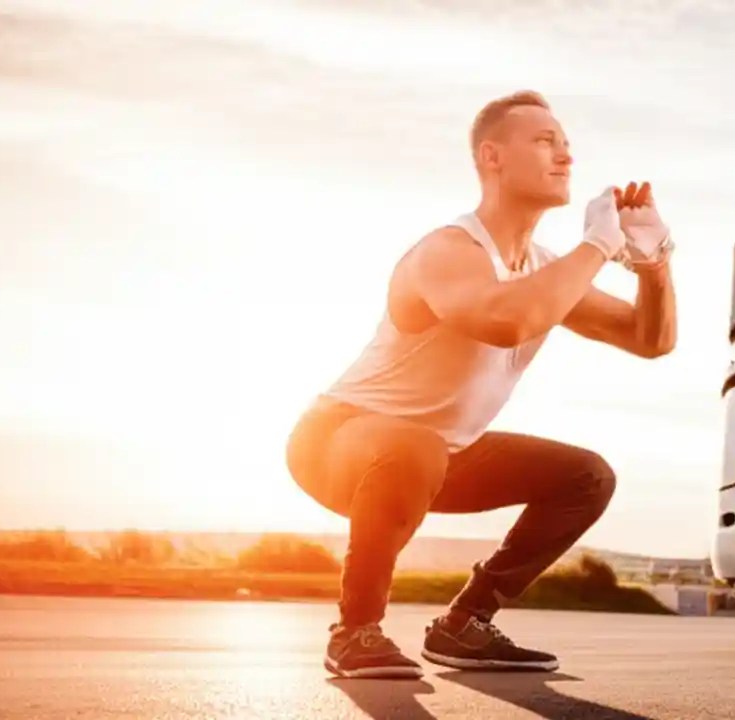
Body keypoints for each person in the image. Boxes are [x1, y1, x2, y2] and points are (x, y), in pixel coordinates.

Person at [284, 89, 677, 680]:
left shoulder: (547, 268)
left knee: (585, 476)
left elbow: (651, 340)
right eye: (545, 141)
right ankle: (355, 632)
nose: (565, 156)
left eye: (567, 144)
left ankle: (465, 624)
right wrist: (598, 245)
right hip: (337, 442)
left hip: (440, 453)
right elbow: (504, 320)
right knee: (413, 444)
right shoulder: (447, 250)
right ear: (492, 158)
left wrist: (653, 265)